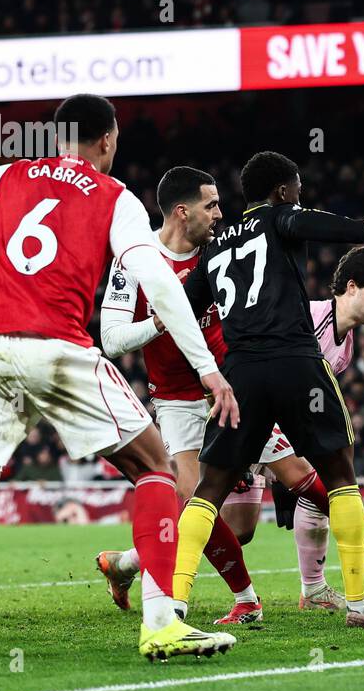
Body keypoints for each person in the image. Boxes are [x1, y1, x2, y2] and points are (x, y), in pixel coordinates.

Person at [0, 94, 239, 671]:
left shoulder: (6, 176)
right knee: (155, 467)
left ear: (58, 139)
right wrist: (207, 368)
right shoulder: (115, 196)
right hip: (57, 346)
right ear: (107, 140)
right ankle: (160, 622)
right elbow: (159, 280)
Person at [171, 150, 364, 628]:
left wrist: (206, 370)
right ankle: (357, 603)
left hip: (241, 372)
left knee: (210, 488)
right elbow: (320, 225)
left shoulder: (215, 245)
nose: (299, 199)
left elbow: (184, 309)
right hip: (295, 360)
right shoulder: (280, 217)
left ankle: (176, 605)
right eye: (297, 192)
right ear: (283, 191)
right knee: (340, 477)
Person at [92, 165, 265, 624]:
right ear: (183, 212)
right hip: (174, 398)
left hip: (231, 388)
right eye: (212, 205)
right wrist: (161, 321)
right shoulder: (135, 258)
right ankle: (247, 599)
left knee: (241, 528)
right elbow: (112, 339)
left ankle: (125, 563)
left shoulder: (223, 251)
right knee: (191, 499)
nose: (220, 214)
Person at [219, 244, 364, 616]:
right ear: (351, 287)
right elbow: (263, 374)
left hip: (269, 427)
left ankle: (128, 562)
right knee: (321, 485)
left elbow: (305, 408)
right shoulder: (304, 317)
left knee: (238, 531)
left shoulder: (344, 350)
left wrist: (284, 461)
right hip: (235, 408)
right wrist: (279, 461)